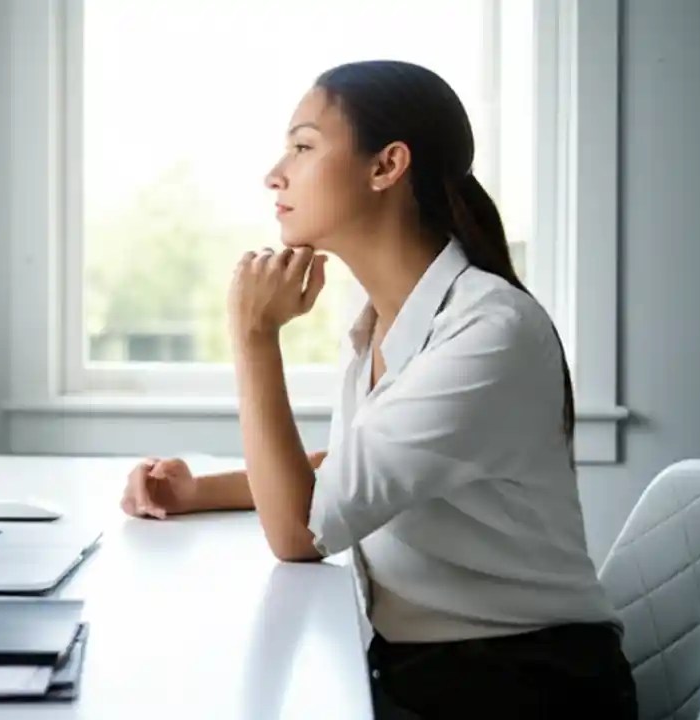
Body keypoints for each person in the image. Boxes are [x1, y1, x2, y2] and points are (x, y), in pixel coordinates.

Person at [118, 61, 637, 718]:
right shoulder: (378, 326)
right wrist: (197, 492)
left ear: (386, 166)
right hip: (431, 668)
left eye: (303, 146)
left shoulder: (488, 332)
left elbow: (301, 533)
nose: (275, 173)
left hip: (523, 684)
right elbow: (346, 476)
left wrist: (253, 337)